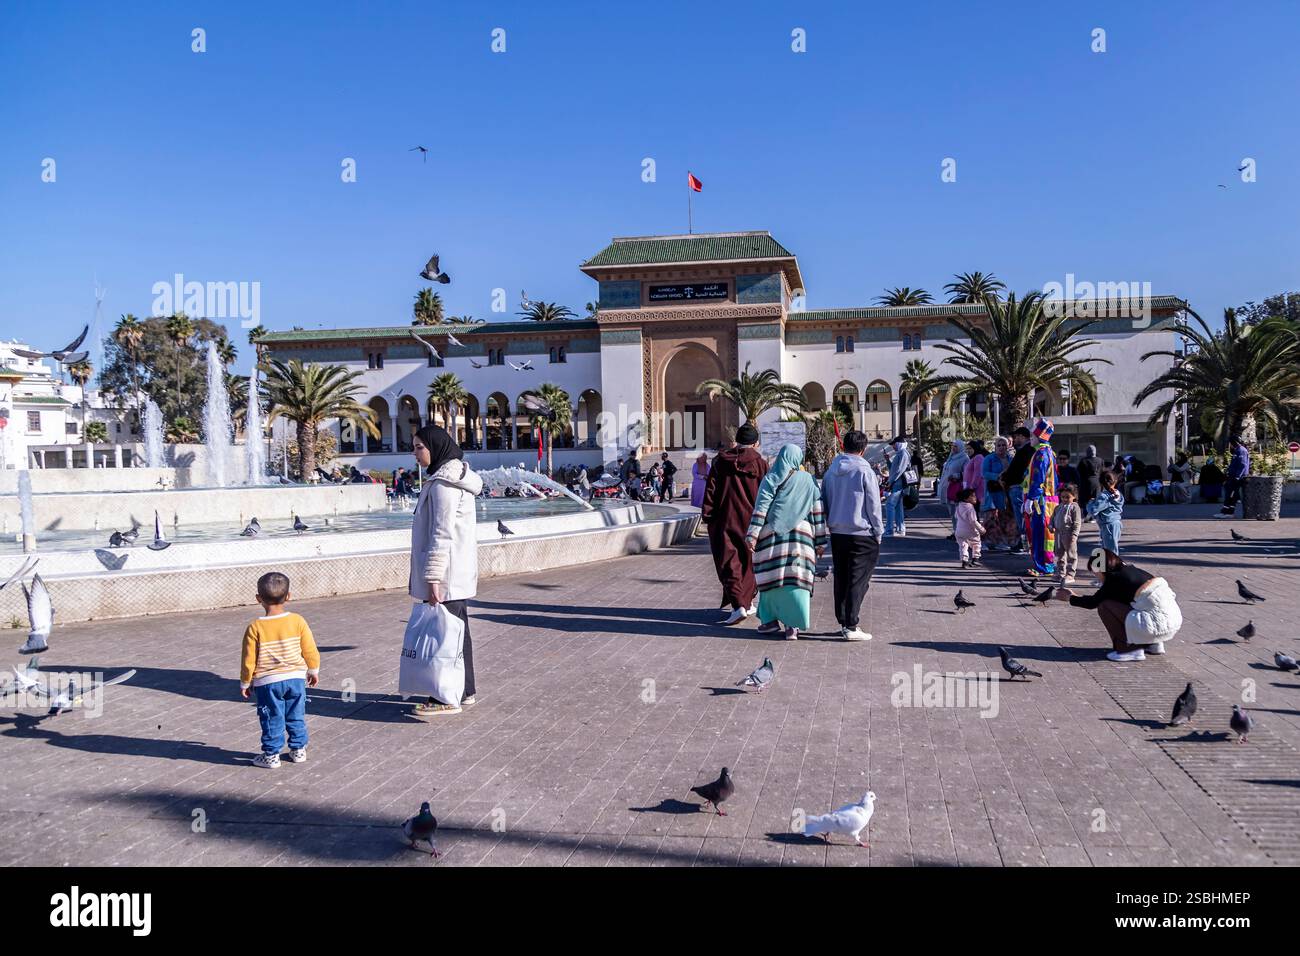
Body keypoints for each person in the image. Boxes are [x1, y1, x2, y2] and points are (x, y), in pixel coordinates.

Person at [409, 424, 483, 717]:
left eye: (419, 447)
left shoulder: (443, 485)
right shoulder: (452, 479)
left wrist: (433, 579)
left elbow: (441, 534)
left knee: (445, 635)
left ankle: (444, 698)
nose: (415, 454)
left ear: (435, 447)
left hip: (447, 575)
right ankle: (465, 691)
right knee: (457, 633)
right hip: (456, 572)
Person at [745, 443, 829, 641]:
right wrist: (820, 541)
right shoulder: (809, 480)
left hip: (772, 537)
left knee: (771, 578)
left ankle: (770, 622)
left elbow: (761, 508)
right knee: (796, 579)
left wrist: (752, 535)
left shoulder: (771, 478)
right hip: (802, 539)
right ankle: (793, 626)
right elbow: (817, 511)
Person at [240, 571, 320, 769]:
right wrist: (313, 669)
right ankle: (298, 750)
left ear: (259, 599)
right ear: (289, 596)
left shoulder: (255, 627)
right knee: (296, 714)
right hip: (296, 678)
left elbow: (249, 659)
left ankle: (271, 755)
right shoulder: (298, 621)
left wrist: (245, 682)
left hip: (268, 682)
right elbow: (309, 648)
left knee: (271, 717)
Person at [1053, 548, 1183, 662]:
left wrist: (1070, 598)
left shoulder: (1114, 580)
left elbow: (1093, 602)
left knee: (1105, 606)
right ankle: (1153, 644)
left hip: (1157, 625)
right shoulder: (1132, 571)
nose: (1095, 575)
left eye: (1095, 571)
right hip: (1173, 622)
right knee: (1136, 605)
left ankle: (1128, 650)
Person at [701, 423, 768, 625]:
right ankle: (743, 603)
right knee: (749, 562)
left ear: (737, 440)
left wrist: (708, 516)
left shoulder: (721, 461)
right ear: (756, 443)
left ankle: (740, 604)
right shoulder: (760, 464)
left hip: (725, 519)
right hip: (752, 521)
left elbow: (711, 490)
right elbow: (766, 494)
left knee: (729, 562)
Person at [819, 429, 882, 642]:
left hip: (838, 532)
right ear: (863, 450)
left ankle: (844, 620)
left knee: (842, 578)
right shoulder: (865, 471)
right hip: (862, 532)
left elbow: (824, 500)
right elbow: (873, 505)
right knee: (858, 580)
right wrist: (878, 531)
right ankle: (851, 624)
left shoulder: (830, 471)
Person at [1021, 419, 1058, 576]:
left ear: (1040, 437)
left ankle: (1043, 567)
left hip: (1041, 502)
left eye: (1032, 435)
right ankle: (1045, 565)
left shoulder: (1041, 454)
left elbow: (1038, 478)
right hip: (1046, 501)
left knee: (1041, 535)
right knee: (1045, 535)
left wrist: (1031, 498)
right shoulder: (1048, 452)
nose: (1031, 438)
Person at [1001, 427, 1035, 554]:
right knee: (1020, 515)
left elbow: (1020, 469)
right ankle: (1023, 543)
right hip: (1016, 486)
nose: (1015, 440)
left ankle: (1023, 544)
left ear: (1022, 436)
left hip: (1018, 486)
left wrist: (1007, 477)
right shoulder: (1025, 450)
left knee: (1021, 515)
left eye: (1016, 437)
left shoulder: (1027, 450)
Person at [981, 437, 1011, 551]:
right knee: (990, 517)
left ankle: (1000, 542)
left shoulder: (1010, 458)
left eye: (1004, 445)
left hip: (1005, 491)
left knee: (1003, 517)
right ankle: (985, 542)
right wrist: (997, 476)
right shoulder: (989, 458)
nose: (1002, 447)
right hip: (992, 491)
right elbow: (984, 473)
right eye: (999, 445)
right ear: (995, 447)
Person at [1086, 470, 1124, 554]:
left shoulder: (1104, 496)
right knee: (1111, 547)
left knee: (1110, 550)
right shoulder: (1118, 494)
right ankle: (1108, 565)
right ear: (1116, 481)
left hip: (1108, 525)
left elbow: (1093, 510)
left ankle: (1113, 565)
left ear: (1101, 483)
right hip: (1116, 523)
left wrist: (1090, 503)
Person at [938, 441, 969, 540]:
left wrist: (957, 476)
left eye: (956, 446)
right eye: (953, 446)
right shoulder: (951, 457)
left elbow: (966, 473)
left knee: (957, 512)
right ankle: (955, 531)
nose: (954, 448)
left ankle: (960, 533)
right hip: (948, 488)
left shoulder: (964, 458)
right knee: (952, 512)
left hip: (957, 488)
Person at [1052, 484, 1082, 584]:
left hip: (1069, 534)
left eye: (1067, 497)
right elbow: (1053, 518)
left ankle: (1070, 574)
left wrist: (1074, 535)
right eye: (1062, 497)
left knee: (1071, 555)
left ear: (1074, 497)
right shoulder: (1058, 507)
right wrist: (1051, 526)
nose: (1064, 499)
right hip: (1058, 534)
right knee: (1059, 554)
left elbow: (1077, 522)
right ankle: (1060, 573)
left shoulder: (1074, 507)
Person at [883, 437, 914, 538]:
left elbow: (899, 470)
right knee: (897, 507)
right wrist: (888, 460)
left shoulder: (903, 453)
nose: (893, 446)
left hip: (898, 484)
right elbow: (894, 469)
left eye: (894, 444)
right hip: (897, 483)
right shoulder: (900, 454)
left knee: (889, 505)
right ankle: (900, 529)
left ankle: (889, 530)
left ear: (900, 444)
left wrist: (890, 482)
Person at [1216, 437, 1251, 518]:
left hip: (1237, 477)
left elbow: (1243, 465)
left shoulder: (1241, 450)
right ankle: (1225, 511)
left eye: (1231, 443)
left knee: (1231, 494)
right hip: (1233, 476)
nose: (1230, 445)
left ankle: (1229, 513)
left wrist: (1237, 477)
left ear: (1234, 442)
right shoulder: (1238, 450)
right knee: (1230, 493)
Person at [953, 487, 985, 569]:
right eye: (973, 496)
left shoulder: (959, 506)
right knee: (976, 544)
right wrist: (981, 529)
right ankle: (975, 559)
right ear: (966, 498)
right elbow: (973, 521)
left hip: (959, 530)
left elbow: (956, 517)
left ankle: (964, 561)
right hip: (971, 531)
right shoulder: (970, 508)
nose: (975, 498)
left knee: (963, 546)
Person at [1076, 444, 1104, 511]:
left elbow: (1078, 472)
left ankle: (1086, 513)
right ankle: (1094, 514)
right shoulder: (1100, 460)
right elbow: (1102, 471)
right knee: (1096, 498)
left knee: (1085, 499)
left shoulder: (1083, 461)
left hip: (1086, 482)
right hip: (1097, 482)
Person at [962, 439, 986, 510]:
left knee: (974, 513)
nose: (968, 450)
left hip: (974, 491)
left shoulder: (978, 457)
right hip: (969, 490)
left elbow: (978, 474)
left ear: (975, 448)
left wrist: (972, 487)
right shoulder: (972, 458)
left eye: (970, 448)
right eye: (967, 449)